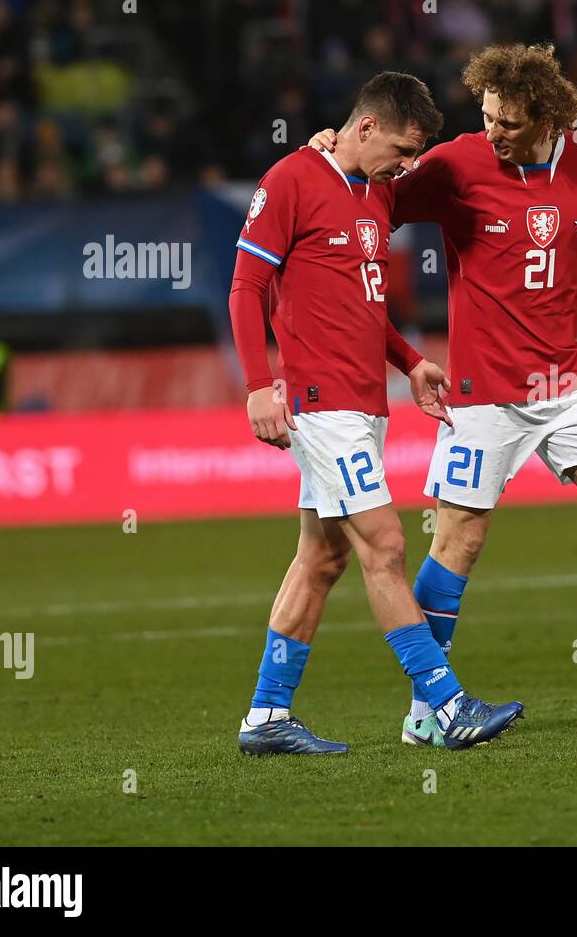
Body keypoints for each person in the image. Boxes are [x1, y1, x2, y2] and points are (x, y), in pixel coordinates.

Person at [312, 44, 577, 746]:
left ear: (548, 116)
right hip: (483, 394)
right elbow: (371, 192)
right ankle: (428, 710)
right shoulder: (454, 165)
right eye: (485, 117)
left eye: (506, 122)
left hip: (565, 383)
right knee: (460, 542)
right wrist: (333, 155)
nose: (491, 132)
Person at [229, 72, 523, 754]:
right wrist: (256, 385)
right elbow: (247, 286)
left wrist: (409, 361)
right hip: (319, 404)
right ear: (364, 129)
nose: (409, 164)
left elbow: (359, 301)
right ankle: (445, 707)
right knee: (386, 547)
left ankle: (267, 718)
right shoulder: (290, 180)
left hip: (364, 403)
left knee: (321, 557)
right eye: (402, 148)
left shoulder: (378, 192)